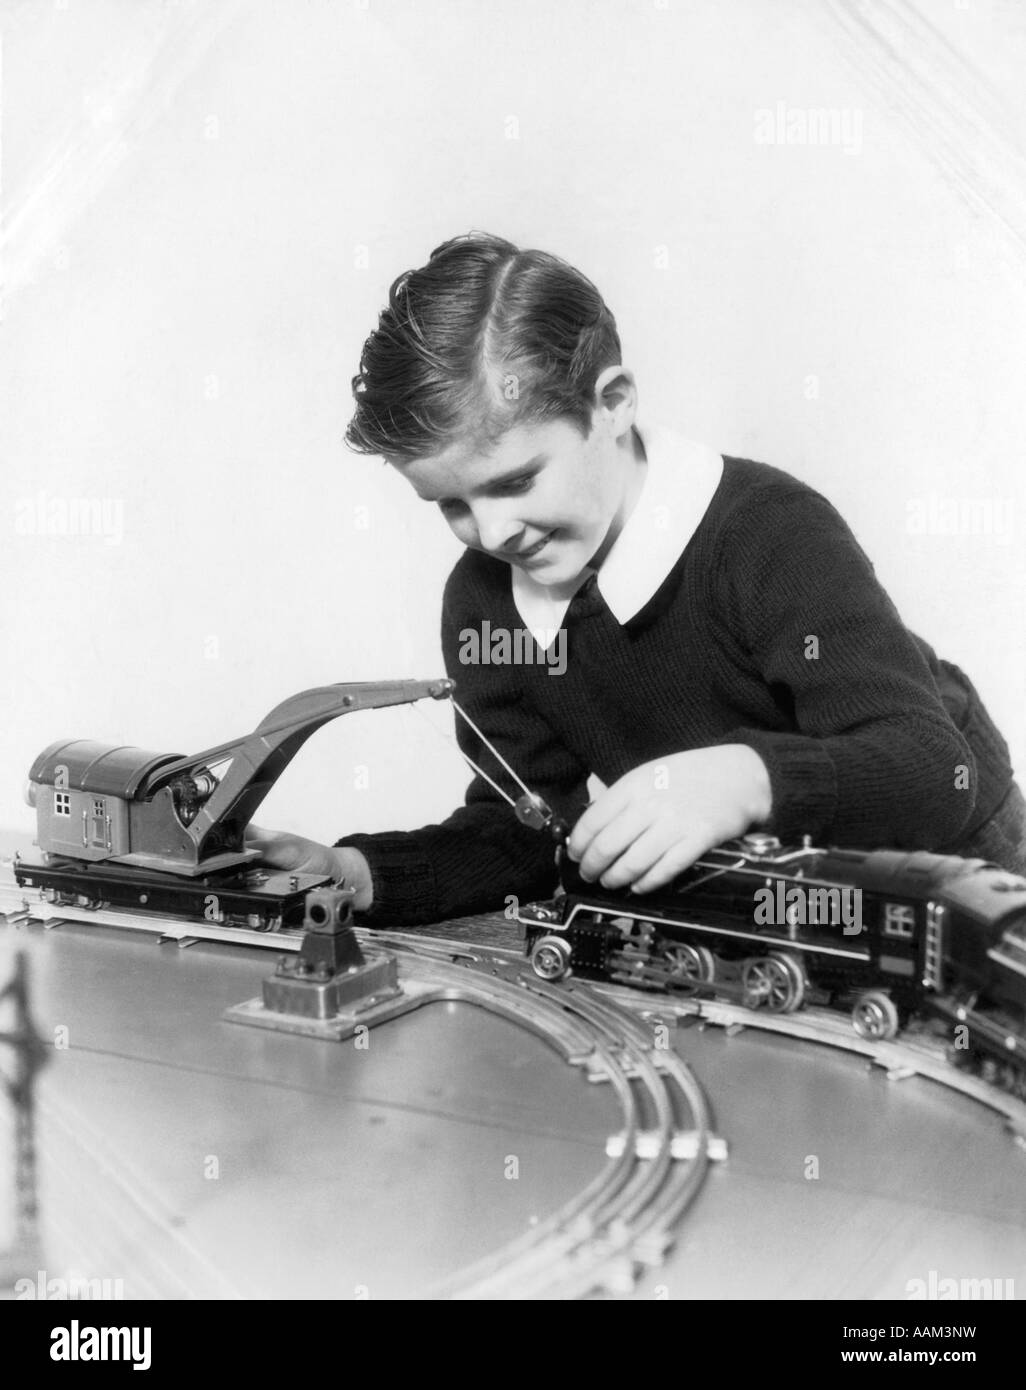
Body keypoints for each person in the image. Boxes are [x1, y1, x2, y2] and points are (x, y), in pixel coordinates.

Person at [246, 232, 1026, 926]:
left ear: (612, 404)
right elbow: (528, 832)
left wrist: (744, 780)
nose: (491, 533)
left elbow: (931, 770)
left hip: (952, 854)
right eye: (450, 502)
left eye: (516, 481)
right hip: (765, 886)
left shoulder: (768, 530)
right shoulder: (484, 601)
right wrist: (361, 874)